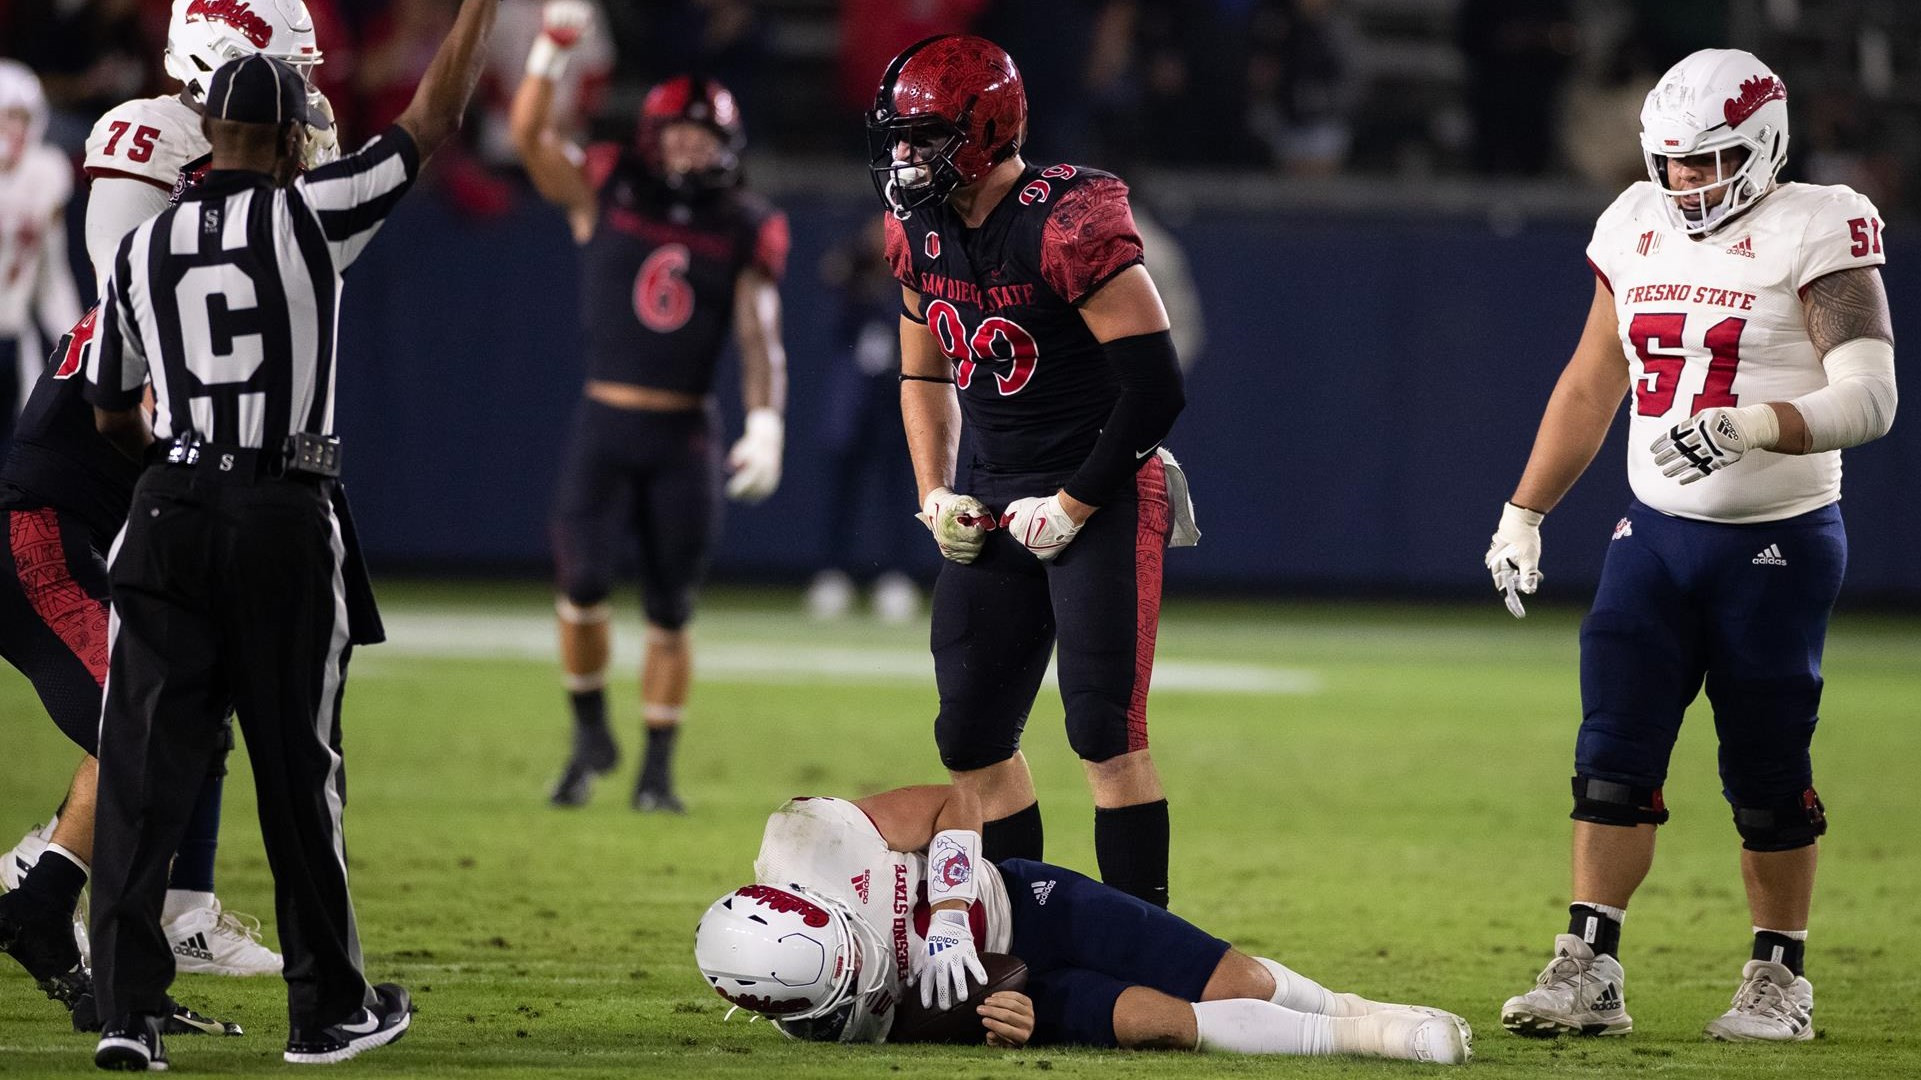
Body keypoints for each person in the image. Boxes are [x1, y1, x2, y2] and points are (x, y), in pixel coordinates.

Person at [80, 0, 503, 1067]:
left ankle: (127, 1014)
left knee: (141, 771)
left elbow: (110, 407)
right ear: (278, 142)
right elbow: (434, 117)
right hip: (279, 506)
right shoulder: (309, 212)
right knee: (296, 770)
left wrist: (175, 474)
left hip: (168, 506)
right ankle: (326, 1011)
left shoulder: (140, 247)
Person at [1485, 49, 1896, 1043]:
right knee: (1610, 755)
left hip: (1777, 539)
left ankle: (1778, 976)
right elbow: (1593, 380)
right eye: (1671, 160)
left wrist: (1751, 426)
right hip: (1654, 535)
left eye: (1707, 160)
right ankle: (1588, 966)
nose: (1685, 181)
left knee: (1765, 767)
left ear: (1762, 147)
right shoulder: (1632, 220)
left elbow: (1870, 398)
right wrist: (1524, 510)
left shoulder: (1816, 222)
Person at [3, 0, 349, 984]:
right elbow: (131, 317)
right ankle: (49, 889)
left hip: (123, 498)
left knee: (200, 688)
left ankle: (166, 909)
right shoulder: (154, 163)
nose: (304, 98)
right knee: (158, 713)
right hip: (54, 514)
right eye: (286, 75)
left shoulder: (235, 218)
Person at [869, 34, 1198, 908]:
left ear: (985, 130)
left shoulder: (1064, 221)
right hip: (991, 492)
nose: (906, 155)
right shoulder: (917, 229)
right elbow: (922, 374)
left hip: (1102, 488)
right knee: (970, 737)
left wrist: (1072, 504)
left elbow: (1156, 388)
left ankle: (1141, 945)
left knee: (1102, 731)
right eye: (900, 137)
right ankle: (1023, 928)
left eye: (926, 135)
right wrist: (934, 492)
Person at [510, 0, 789, 813]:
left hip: (683, 433)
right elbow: (530, 138)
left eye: (706, 135)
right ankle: (588, 731)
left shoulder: (742, 222)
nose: (692, 147)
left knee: (671, 609)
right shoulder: (608, 188)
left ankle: (657, 773)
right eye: (681, 133)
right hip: (606, 423)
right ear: (653, 136)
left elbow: (760, 336)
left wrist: (766, 422)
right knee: (581, 588)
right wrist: (549, 54)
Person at [695, 784, 1471, 1061]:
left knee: (1241, 981)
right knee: (1158, 1024)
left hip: (1024, 902)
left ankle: (1357, 1009)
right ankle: (1379, 1039)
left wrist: (950, 909)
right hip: (998, 991)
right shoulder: (816, 1019)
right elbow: (926, 1027)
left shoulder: (811, 837)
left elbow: (955, 801)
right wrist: (997, 1023)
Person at [804, 216, 924, 623]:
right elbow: (830, 277)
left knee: (899, 495)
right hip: (854, 406)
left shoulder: (910, 282)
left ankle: (897, 577)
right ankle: (832, 574)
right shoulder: (852, 278)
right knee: (842, 494)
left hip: (895, 402)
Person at [0, 61, 81, 446]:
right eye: (3, 117)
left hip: (14, 338)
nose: (11, 129)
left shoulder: (46, 171)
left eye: (19, 117)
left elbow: (51, 276)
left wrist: (76, 341)